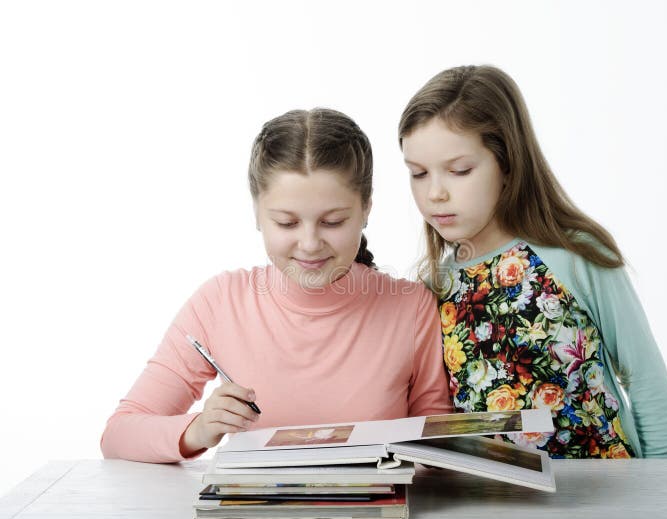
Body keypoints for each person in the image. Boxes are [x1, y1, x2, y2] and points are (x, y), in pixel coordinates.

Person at [101, 108, 452, 463]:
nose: (310, 243)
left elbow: (439, 449)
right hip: (253, 517)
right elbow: (118, 435)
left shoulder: (410, 307)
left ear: (366, 210)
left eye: (333, 222)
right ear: (256, 212)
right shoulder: (220, 303)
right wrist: (199, 430)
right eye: (286, 223)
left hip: (380, 516)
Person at [398, 65, 667, 458]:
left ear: (508, 163)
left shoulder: (576, 255)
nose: (435, 193)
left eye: (459, 170)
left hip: (612, 503)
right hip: (497, 511)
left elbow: (646, 382)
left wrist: (664, 497)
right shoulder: (436, 286)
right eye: (417, 173)